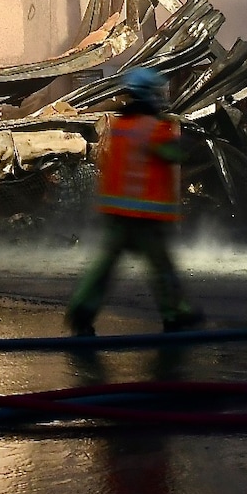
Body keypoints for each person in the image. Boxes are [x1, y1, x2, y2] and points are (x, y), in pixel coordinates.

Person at [66, 67, 204, 335]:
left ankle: (82, 312)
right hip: (145, 215)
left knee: (104, 267)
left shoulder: (120, 127)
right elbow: (174, 154)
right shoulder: (154, 128)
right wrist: (190, 142)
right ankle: (175, 314)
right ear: (149, 95)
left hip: (117, 211)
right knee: (162, 267)